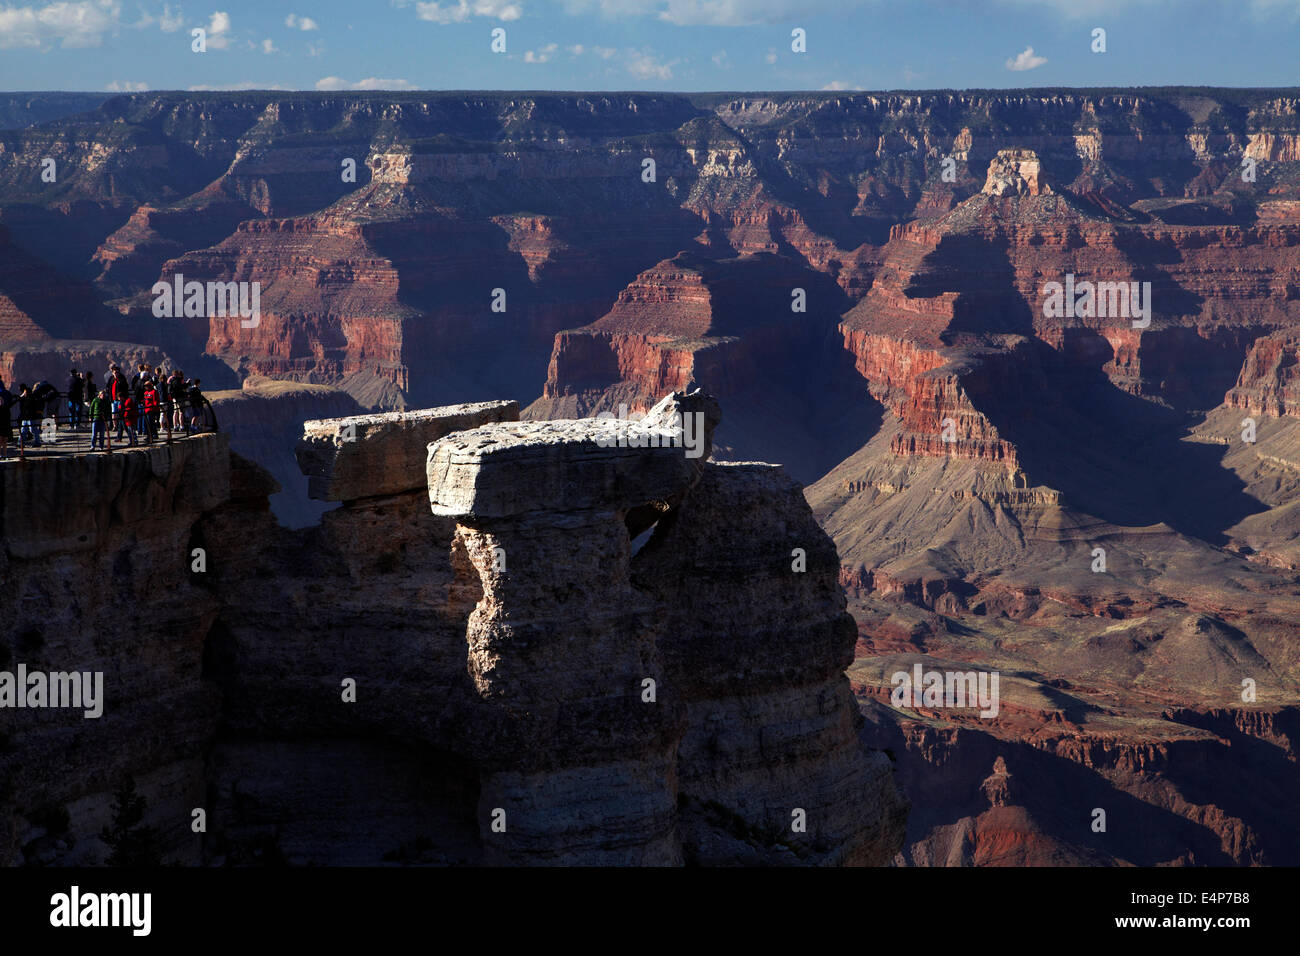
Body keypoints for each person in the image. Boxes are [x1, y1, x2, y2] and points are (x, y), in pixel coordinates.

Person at [0, 379, 13, 458]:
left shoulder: (5, 408)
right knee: (3, 440)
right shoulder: (7, 393)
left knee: (3, 440)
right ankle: (3, 454)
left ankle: (4, 454)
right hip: (5, 423)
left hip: (4, 424)